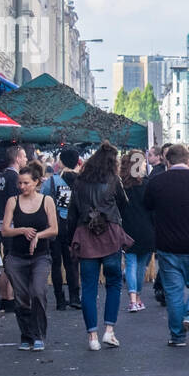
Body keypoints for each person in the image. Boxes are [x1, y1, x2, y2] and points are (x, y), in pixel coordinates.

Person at [144, 144, 189, 347]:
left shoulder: (157, 181)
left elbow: (147, 205)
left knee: (173, 291)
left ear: (167, 161)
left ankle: (177, 336)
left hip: (167, 243)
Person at [69, 142, 129, 352]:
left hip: (86, 234)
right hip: (110, 234)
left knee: (88, 287)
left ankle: (92, 336)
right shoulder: (114, 180)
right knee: (113, 283)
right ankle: (109, 331)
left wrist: (71, 239)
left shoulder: (80, 181)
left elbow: (73, 211)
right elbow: (123, 205)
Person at [0, 161, 59, 351]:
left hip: (40, 255)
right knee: (22, 297)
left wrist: (38, 236)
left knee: (38, 291)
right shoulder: (13, 201)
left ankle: (39, 334)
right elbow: (5, 230)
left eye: (26, 183)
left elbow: (54, 229)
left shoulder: (46, 201)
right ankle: (26, 335)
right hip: (17, 256)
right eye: (20, 183)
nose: (22, 187)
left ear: (36, 183)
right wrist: (22, 230)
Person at [41, 147, 81, 310]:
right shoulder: (81, 181)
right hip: (75, 227)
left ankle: (60, 299)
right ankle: (75, 297)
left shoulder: (52, 181)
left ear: (62, 162)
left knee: (56, 263)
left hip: (55, 225)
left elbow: (44, 202)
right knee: (72, 263)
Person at [120, 150, 155, 313]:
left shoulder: (122, 185)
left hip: (127, 228)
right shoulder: (147, 184)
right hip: (147, 228)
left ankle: (133, 298)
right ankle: (138, 297)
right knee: (141, 265)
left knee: (131, 263)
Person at [0, 145, 26, 313]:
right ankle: (9, 298)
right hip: (11, 225)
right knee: (12, 261)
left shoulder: (3, 177)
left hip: (2, 222)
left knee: (6, 260)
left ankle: (5, 298)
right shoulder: (15, 179)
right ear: (17, 159)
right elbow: (16, 204)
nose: (26, 159)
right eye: (24, 157)